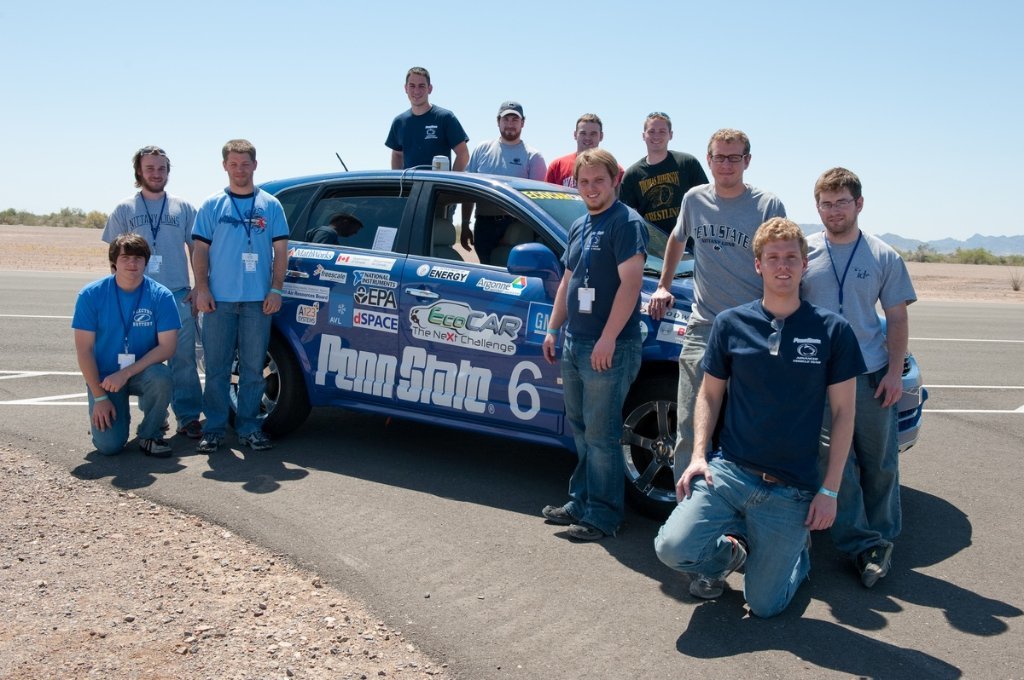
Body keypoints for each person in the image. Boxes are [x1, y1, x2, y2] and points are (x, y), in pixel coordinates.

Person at [654, 218, 864, 617]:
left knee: (765, 605)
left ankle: (796, 557)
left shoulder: (832, 331)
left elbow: (843, 414)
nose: (782, 266)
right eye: (772, 258)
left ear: (805, 264)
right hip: (730, 473)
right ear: (758, 265)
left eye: (791, 258)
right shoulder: (730, 324)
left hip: (791, 489)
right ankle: (727, 556)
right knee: (670, 548)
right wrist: (699, 454)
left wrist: (830, 491)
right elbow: (709, 394)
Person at [648, 128, 786, 483]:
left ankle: (741, 510)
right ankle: (687, 514)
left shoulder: (767, 206)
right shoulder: (695, 200)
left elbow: (782, 260)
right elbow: (677, 239)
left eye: (734, 157)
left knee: (749, 426)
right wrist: (663, 285)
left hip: (753, 328)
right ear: (708, 160)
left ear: (747, 161)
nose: (726, 164)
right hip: (703, 327)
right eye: (719, 157)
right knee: (690, 427)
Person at [801, 167, 917, 588]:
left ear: (859, 204)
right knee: (837, 463)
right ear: (818, 207)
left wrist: (893, 373)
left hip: (868, 375)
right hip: (819, 378)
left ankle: (884, 538)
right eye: (826, 204)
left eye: (842, 202)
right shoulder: (805, 252)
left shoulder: (884, 256)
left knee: (880, 460)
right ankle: (857, 542)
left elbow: (898, 317)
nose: (834, 211)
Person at [540, 149, 648, 541]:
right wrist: (554, 329)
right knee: (582, 427)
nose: (591, 188)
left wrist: (608, 337)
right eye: (584, 182)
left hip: (609, 347)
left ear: (614, 180)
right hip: (576, 342)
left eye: (598, 181)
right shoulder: (581, 225)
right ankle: (582, 500)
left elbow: (632, 284)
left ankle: (604, 515)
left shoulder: (626, 223)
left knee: (602, 435)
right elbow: (568, 280)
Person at [192, 139, 289, 453]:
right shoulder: (211, 205)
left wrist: (276, 289)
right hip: (218, 300)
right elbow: (200, 251)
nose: (239, 170)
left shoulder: (270, 205)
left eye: (245, 164)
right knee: (217, 368)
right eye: (233, 164)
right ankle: (215, 428)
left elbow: (281, 251)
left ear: (255, 166)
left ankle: (249, 427)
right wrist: (202, 288)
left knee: (252, 369)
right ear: (224, 166)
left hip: (257, 302)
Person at [102, 145, 203, 439]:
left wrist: (199, 288)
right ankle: (156, 418)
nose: (156, 174)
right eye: (150, 169)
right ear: (139, 172)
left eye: (161, 169)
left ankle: (188, 417)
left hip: (177, 295)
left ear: (168, 172)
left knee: (183, 359)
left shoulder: (183, 208)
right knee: (145, 359)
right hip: (138, 296)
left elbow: (196, 249)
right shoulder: (124, 209)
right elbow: (114, 257)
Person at [72, 233, 180, 458]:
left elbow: (167, 348)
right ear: (114, 262)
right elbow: (84, 351)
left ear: (146, 262)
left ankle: (150, 434)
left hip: (142, 372)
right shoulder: (91, 295)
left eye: (138, 258)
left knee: (161, 376)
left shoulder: (162, 296)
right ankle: (107, 416)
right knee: (109, 447)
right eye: (126, 258)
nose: (132, 263)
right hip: (106, 379)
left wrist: (127, 373)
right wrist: (100, 397)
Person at [461, 101, 547, 263]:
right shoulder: (482, 149)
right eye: (506, 119)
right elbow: (468, 192)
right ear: (497, 121)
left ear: (523, 123)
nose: (510, 124)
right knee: (487, 276)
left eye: (515, 120)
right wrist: (465, 223)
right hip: (483, 224)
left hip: (518, 227)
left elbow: (538, 203)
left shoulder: (533, 157)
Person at [619, 112, 708, 235]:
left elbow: (705, 201)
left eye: (662, 131)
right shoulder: (632, 175)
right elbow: (627, 219)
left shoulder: (687, 163)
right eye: (651, 131)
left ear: (670, 135)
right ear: (643, 135)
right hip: (651, 249)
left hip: (689, 245)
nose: (656, 136)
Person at [385, 66, 469, 171]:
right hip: (410, 187)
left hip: (438, 186)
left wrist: (451, 181)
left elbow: (463, 154)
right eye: (412, 86)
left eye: (421, 86)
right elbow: (397, 155)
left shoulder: (445, 118)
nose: (416, 91)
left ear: (430, 89)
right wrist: (398, 184)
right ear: (405, 88)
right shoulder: (399, 122)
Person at [544, 113, 621, 188]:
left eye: (593, 134)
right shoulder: (557, 166)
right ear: (575, 135)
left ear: (601, 136)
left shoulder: (614, 169)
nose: (588, 138)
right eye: (583, 133)